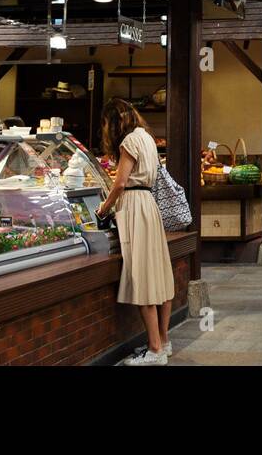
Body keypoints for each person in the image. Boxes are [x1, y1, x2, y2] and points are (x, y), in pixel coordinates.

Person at [95, 99, 175, 366]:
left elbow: (119, 184)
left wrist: (104, 209)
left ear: (115, 121)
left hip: (133, 205)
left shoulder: (128, 141)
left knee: (141, 275)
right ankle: (163, 341)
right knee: (159, 274)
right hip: (149, 205)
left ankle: (154, 350)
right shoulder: (147, 138)